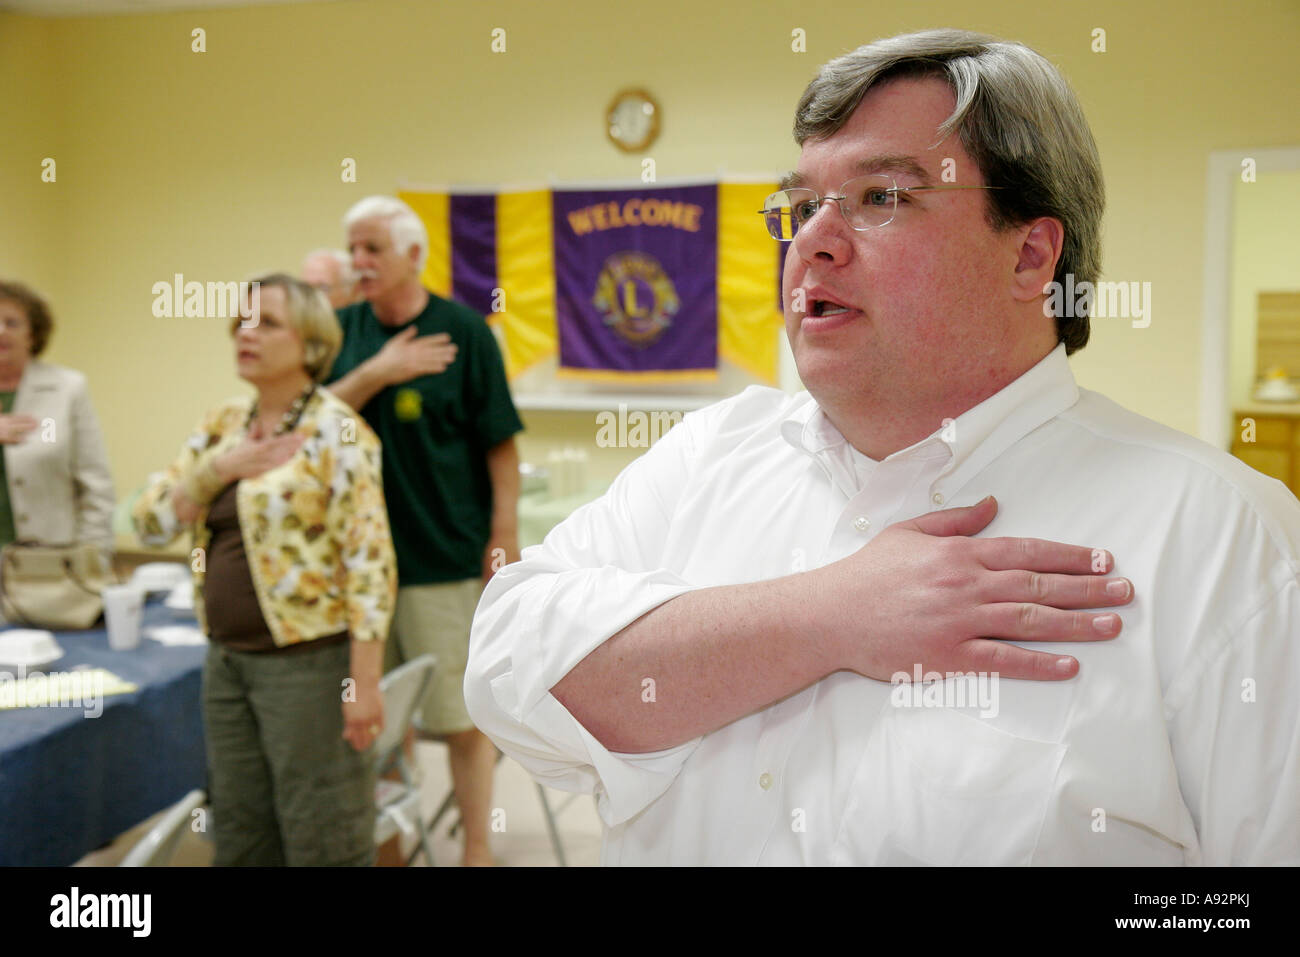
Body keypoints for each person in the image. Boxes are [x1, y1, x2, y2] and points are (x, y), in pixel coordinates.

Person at [465, 29, 1300, 865]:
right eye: (800, 208)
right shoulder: (709, 453)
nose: (812, 244)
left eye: (882, 199)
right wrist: (823, 617)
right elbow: (504, 667)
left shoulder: (1223, 537)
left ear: (1031, 255)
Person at [134, 274, 397, 866]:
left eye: (267, 322)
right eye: (242, 321)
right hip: (227, 660)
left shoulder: (338, 430)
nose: (245, 333)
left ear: (310, 344)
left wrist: (364, 680)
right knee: (240, 825)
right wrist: (217, 470)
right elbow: (150, 521)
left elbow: (370, 560)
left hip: (308, 663)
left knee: (321, 828)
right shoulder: (222, 424)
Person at [327, 195, 523, 867]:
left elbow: (501, 446)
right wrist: (376, 372)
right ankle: (389, 850)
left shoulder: (463, 332)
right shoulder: (339, 330)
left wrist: (503, 534)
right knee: (376, 725)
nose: (358, 262)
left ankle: (475, 849)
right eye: (352, 248)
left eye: (372, 248)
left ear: (413, 255)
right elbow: (310, 421)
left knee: (457, 718)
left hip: (441, 558)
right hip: (353, 570)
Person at [0, 281, 115, 560]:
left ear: (34, 334)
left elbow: (95, 483)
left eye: (11, 322)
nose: (0, 330)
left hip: (49, 561)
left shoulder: (66, 388)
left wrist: (94, 557)